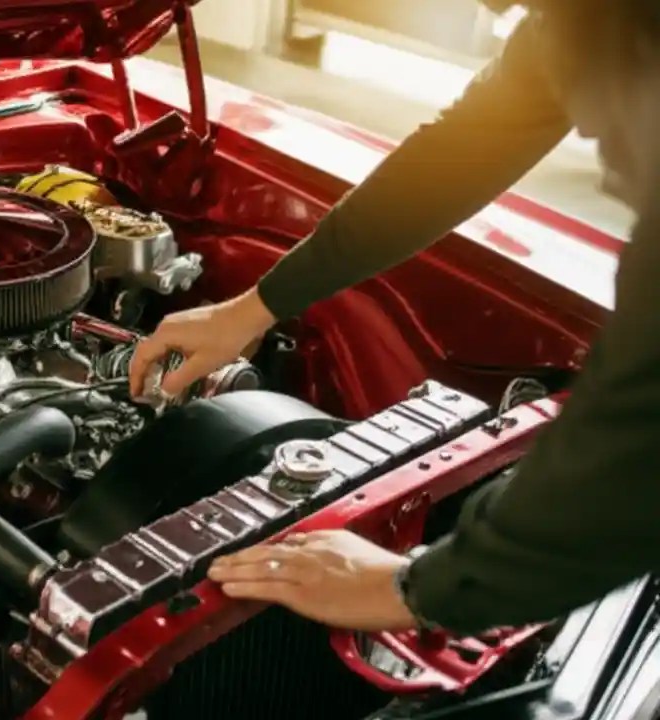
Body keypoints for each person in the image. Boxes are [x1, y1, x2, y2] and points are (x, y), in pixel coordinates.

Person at [129, 0, 660, 634]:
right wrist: (254, 307)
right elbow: (461, 150)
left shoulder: (614, 34)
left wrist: (417, 589)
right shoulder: (572, 27)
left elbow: (640, 431)